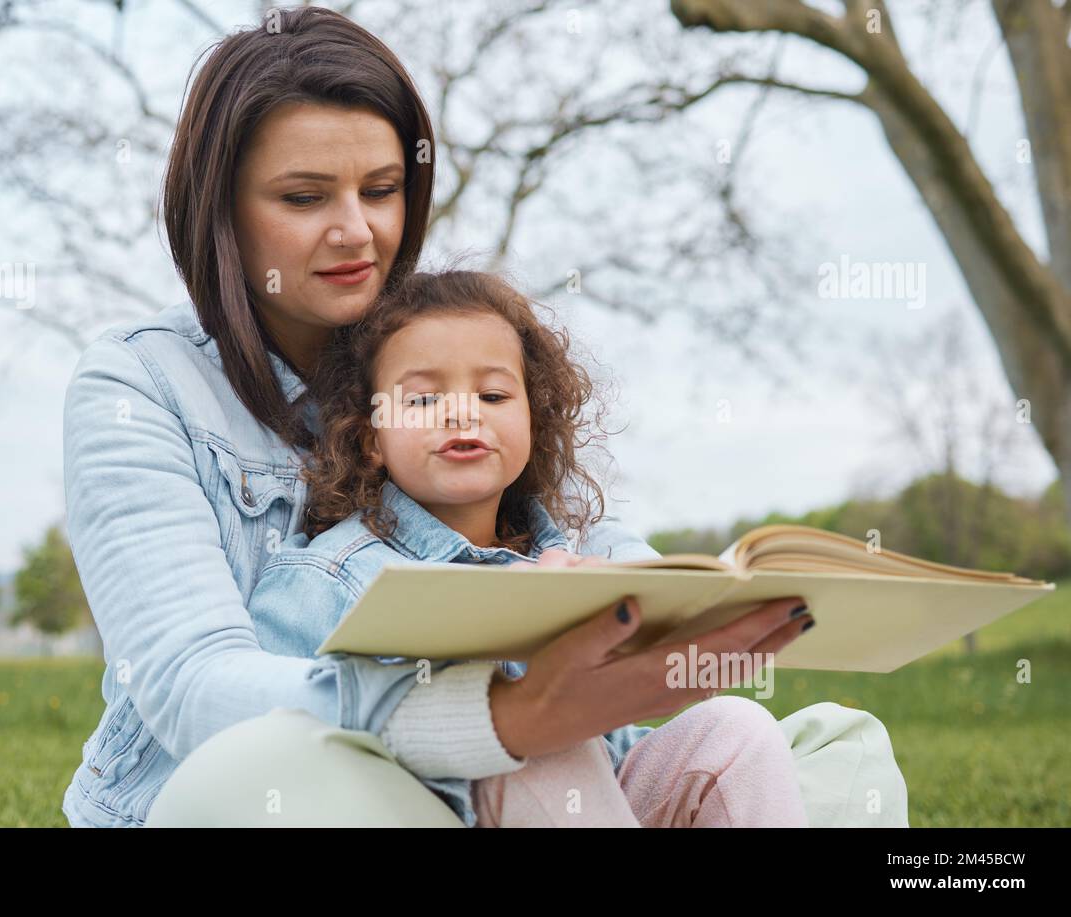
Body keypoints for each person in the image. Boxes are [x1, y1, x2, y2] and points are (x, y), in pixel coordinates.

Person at [61, 6, 909, 828]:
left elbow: (584, 540)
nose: (356, 230)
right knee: (264, 773)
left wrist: (670, 609)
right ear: (222, 210)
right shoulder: (142, 382)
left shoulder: (453, 345)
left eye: (382, 189)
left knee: (835, 748)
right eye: (304, 197)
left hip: (522, 781)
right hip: (285, 786)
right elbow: (193, 688)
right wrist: (495, 715)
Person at [242, 267, 814, 827]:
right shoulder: (327, 578)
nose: (462, 412)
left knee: (737, 729)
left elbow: (631, 727)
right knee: (543, 748)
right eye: (420, 401)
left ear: (533, 426)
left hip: (605, 801)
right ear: (371, 441)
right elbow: (265, 750)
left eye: (492, 394)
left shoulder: (575, 560)